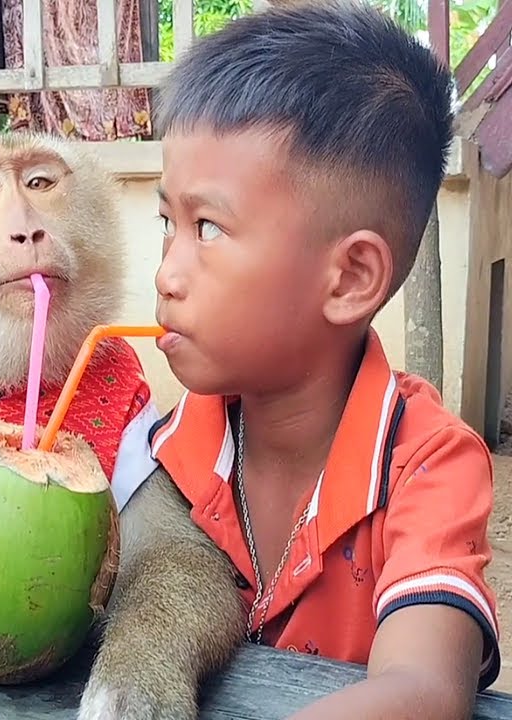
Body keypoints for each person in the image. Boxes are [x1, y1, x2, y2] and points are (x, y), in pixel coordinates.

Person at [149, 2, 499, 716]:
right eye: (168, 222)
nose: (166, 274)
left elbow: (426, 691)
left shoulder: (425, 465)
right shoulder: (171, 448)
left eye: (207, 227)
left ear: (350, 279)